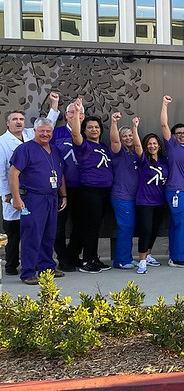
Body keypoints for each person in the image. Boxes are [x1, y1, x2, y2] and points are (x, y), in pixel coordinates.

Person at [0, 93, 60, 277]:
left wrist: (54, 103)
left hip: (44, 197)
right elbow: (5, 172)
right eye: (14, 119)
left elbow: (46, 124)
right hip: (22, 195)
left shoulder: (30, 134)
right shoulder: (2, 143)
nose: (18, 122)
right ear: (7, 123)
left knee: (43, 234)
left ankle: (43, 266)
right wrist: (10, 195)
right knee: (18, 234)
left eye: (21, 119)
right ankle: (16, 267)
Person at [8, 118, 67, 285]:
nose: (45, 134)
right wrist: (16, 198)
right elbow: (13, 174)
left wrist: (64, 195)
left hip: (51, 198)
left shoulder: (55, 150)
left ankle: (47, 267)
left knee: (49, 235)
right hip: (32, 198)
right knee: (32, 235)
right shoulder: (24, 149)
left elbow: (60, 174)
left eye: (48, 131)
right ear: (35, 131)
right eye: (42, 131)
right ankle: (28, 272)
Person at [70, 99, 113, 273]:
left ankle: (94, 257)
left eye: (96, 127)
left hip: (104, 192)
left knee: (95, 226)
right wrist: (77, 113)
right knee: (91, 227)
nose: (94, 129)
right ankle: (88, 261)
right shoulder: (83, 145)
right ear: (84, 130)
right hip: (90, 191)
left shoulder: (102, 146)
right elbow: (74, 134)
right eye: (90, 127)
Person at [132, 118, 169, 274]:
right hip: (144, 202)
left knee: (154, 230)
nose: (152, 146)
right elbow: (137, 145)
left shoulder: (164, 162)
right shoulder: (144, 161)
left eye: (155, 143)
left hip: (159, 202)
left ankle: (148, 255)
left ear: (159, 145)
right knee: (145, 230)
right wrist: (135, 128)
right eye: (149, 144)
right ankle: (141, 261)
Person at [160, 95, 184, 268]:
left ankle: (174, 256)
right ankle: (178, 258)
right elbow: (164, 125)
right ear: (173, 136)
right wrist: (165, 104)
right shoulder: (172, 146)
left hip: (183, 192)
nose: (182, 135)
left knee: (176, 224)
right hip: (176, 191)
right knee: (183, 222)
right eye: (178, 133)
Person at [52, 99, 86, 272]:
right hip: (61, 188)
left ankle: (74, 256)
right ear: (66, 115)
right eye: (72, 112)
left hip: (83, 188)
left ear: (83, 117)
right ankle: (62, 258)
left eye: (79, 112)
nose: (75, 115)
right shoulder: (55, 134)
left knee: (81, 224)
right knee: (59, 225)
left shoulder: (88, 133)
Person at [109, 112, 139, 269]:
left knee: (130, 227)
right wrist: (114, 123)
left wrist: (135, 128)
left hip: (134, 197)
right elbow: (114, 140)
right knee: (126, 226)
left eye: (130, 135)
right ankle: (120, 260)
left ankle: (127, 256)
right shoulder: (118, 152)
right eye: (124, 136)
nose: (128, 138)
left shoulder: (136, 152)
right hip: (121, 196)